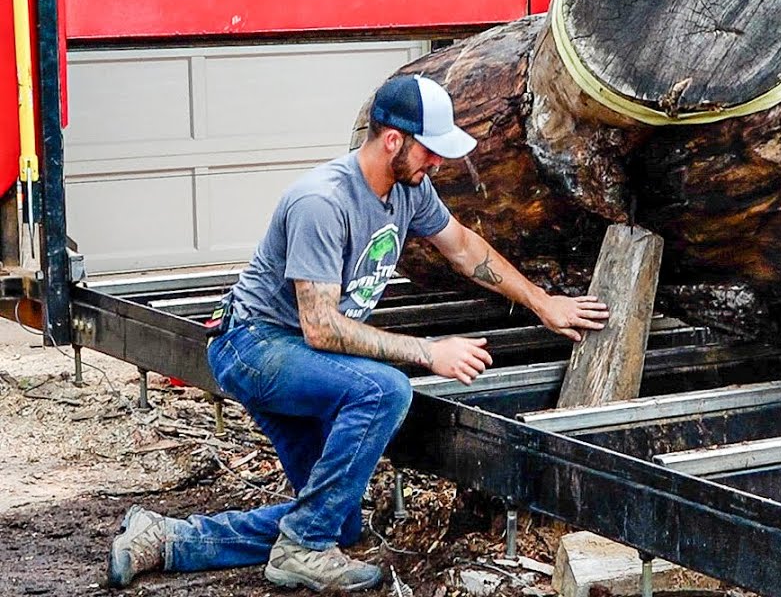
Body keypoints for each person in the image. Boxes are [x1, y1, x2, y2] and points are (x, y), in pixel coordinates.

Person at [105, 74, 610, 592]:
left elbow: (463, 248)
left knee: (335, 519)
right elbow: (321, 327)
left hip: (296, 351)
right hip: (254, 346)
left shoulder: (408, 189)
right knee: (385, 389)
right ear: (393, 139)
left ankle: (166, 539)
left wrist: (543, 302)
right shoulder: (322, 203)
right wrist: (428, 351)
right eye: (430, 151)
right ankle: (302, 547)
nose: (438, 163)